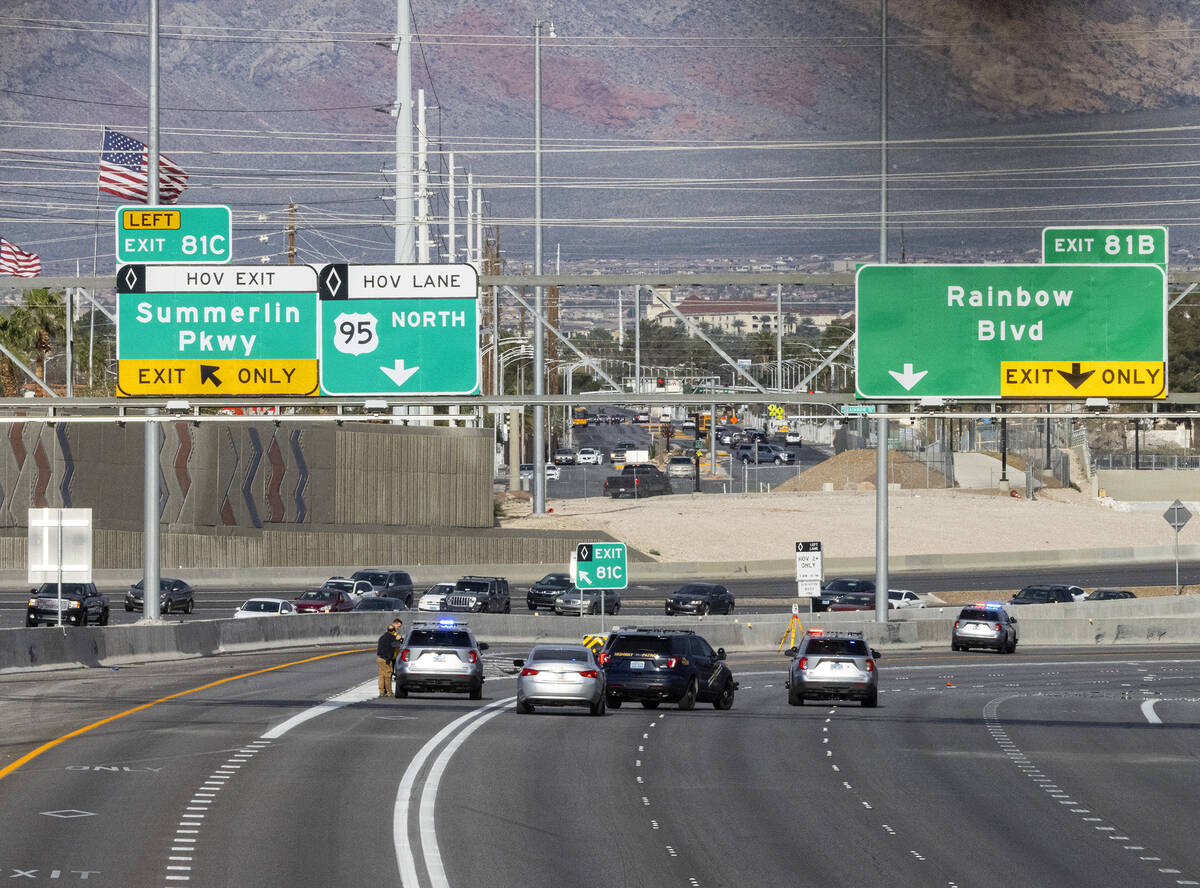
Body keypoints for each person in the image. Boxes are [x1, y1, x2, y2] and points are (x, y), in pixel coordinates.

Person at [376, 618, 403, 697]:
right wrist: (399, 639)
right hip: (387, 659)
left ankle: (381, 692)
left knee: (381, 675)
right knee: (388, 676)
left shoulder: (382, 637)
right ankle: (389, 692)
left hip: (379, 658)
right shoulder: (392, 638)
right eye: (398, 626)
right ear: (393, 631)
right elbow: (397, 645)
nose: (398, 628)